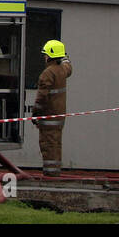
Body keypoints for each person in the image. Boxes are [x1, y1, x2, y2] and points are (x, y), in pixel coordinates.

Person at [31, 39, 71, 176]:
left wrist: (35, 113)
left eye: (46, 54)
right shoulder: (62, 70)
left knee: (48, 146)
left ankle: (50, 174)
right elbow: (68, 66)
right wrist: (65, 56)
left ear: (51, 56)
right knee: (56, 144)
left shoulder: (48, 73)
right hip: (59, 116)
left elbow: (41, 97)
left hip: (48, 117)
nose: (44, 56)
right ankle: (55, 172)